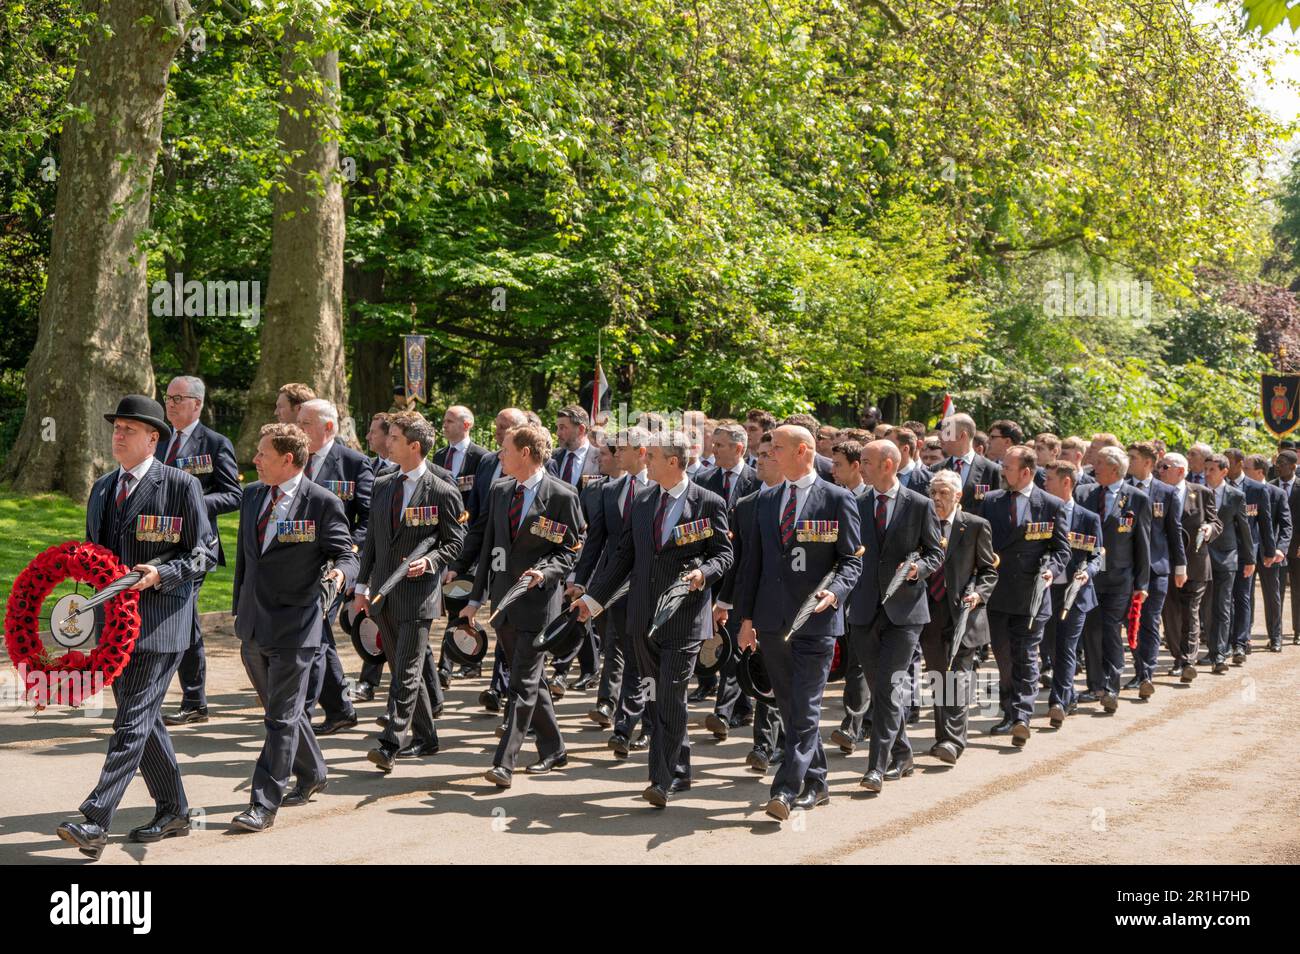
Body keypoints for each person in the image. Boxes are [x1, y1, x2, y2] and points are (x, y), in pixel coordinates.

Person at [57, 396, 216, 861]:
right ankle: (174, 809)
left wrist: (159, 574)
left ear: (153, 438)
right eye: (116, 427)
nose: (119, 435)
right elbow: (95, 552)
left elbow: (203, 554)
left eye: (130, 428)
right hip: (115, 627)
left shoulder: (180, 485)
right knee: (141, 721)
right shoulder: (104, 487)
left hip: (162, 623)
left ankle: (95, 817)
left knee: (130, 722)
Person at [577, 430, 733, 806]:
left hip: (684, 618)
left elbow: (724, 555)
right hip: (643, 617)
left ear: (674, 462)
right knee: (652, 697)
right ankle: (678, 771)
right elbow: (623, 558)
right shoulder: (644, 501)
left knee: (671, 698)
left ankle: (660, 779)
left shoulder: (708, 502)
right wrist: (592, 598)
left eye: (654, 456)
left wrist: (704, 574)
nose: (646, 461)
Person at [229, 423, 355, 831]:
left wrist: (338, 576)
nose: (255, 460)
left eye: (262, 453)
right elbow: (247, 563)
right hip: (253, 623)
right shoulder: (252, 497)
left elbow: (346, 554)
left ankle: (263, 804)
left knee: (281, 718)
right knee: (279, 711)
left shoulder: (322, 503)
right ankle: (314, 770)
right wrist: (238, 610)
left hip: (297, 626)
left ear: (287, 459)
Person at [736, 425, 863, 820]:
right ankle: (818, 781)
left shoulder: (837, 499)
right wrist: (745, 620)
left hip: (816, 622)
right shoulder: (764, 501)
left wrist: (836, 592)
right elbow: (750, 567)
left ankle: (786, 789)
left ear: (803, 451)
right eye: (769, 447)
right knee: (791, 707)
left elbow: (852, 559)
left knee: (805, 708)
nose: (770, 453)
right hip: (773, 623)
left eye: (778, 447)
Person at [458, 424, 584, 788]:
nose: (500, 456)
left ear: (525, 453)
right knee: (529, 679)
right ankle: (555, 747)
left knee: (522, 683)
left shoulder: (562, 495)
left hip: (538, 605)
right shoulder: (500, 491)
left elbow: (570, 549)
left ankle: (505, 762)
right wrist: (474, 598)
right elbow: (488, 547)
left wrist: (545, 573)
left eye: (506, 449)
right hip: (504, 604)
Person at [353, 413, 466, 772]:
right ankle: (427, 737)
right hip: (382, 593)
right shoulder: (384, 484)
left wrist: (431, 562)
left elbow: (455, 542)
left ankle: (390, 743)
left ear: (414, 446)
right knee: (402, 665)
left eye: (396, 438)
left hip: (418, 595)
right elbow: (371, 540)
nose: (389, 442)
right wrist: (360, 586)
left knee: (406, 669)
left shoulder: (443, 490)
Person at [847, 440, 944, 793]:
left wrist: (917, 567)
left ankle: (876, 766)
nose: (861, 467)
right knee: (880, 688)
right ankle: (902, 753)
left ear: (889, 464)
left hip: (905, 612)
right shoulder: (854, 504)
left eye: (867, 462)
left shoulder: (919, 504)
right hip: (863, 609)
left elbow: (935, 553)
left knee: (889, 687)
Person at [156, 375, 242, 726]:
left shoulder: (216, 443)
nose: (171, 403)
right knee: (177, 619)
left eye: (179, 398)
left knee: (185, 618)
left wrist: (191, 503)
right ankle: (184, 700)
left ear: (198, 404)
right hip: (157, 543)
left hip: (195, 548)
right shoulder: (158, 440)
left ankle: (193, 700)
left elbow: (234, 494)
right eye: (168, 396)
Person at [979, 445, 1069, 747]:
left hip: (1032, 594)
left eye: (1008, 466)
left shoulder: (1051, 505)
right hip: (999, 593)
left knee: (1027, 656)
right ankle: (1007, 710)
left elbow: (1061, 550)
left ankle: (1021, 716)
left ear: (1026, 472)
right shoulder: (991, 502)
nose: (1003, 471)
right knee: (1004, 658)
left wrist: (1051, 571)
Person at [297, 398, 374, 736]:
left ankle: (305, 708)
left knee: (315, 632)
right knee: (319, 635)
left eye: (305, 424)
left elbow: (368, 519)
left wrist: (346, 551)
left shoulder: (355, 463)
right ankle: (339, 707)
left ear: (328, 428)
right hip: (298, 562)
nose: (298, 431)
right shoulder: (295, 459)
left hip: (336, 565)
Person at [917, 470, 997, 763]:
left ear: (958, 496)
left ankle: (953, 741)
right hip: (930, 611)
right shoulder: (923, 523)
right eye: (933, 493)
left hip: (964, 612)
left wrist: (979, 595)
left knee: (959, 676)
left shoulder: (975, 526)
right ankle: (943, 736)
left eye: (943, 493)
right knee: (939, 676)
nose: (937, 498)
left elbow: (988, 570)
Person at [1075, 446, 1150, 710]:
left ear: (1115, 469)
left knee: (1110, 629)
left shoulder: (1136, 498)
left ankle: (1111, 686)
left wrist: (1142, 584)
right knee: (1091, 631)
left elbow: (1142, 544)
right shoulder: (1084, 493)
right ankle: (1095, 685)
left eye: (1099, 464)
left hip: (1120, 577)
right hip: (1090, 576)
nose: (1094, 468)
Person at [1041, 461, 1104, 725]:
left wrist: (1087, 571)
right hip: (1046, 591)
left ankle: (1058, 701)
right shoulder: (1042, 513)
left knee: (1066, 646)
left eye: (1049, 479)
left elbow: (1097, 556)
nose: (1044, 484)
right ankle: (1070, 695)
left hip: (1076, 593)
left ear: (1066, 482)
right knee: (1050, 647)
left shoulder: (1088, 518)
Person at [1157, 453, 1221, 682]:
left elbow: (1216, 522)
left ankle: (1186, 660)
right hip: (1166, 562)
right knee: (1170, 612)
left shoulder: (1201, 493)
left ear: (1181, 471)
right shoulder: (1156, 493)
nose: (1160, 470)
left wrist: (1209, 530)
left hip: (1194, 562)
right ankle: (1177, 655)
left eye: (1165, 467)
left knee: (1190, 611)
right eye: (1159, 467)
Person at [1251, 452, 1293, 652]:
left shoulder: (1277, 493)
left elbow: (1286, 526)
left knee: (1273, 597)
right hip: (1247, 553)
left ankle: (1275, 637)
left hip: (1271, 553)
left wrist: (1280, 549)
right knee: (1244, 596)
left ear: (1260, 471)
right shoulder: (1243, 491)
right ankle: (1243, 638)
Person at [934, 412, 1000, 510]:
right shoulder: (936, 469)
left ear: (962, 436)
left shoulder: (991, 470)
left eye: (947, 433)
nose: (941, 438)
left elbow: (996, 509)